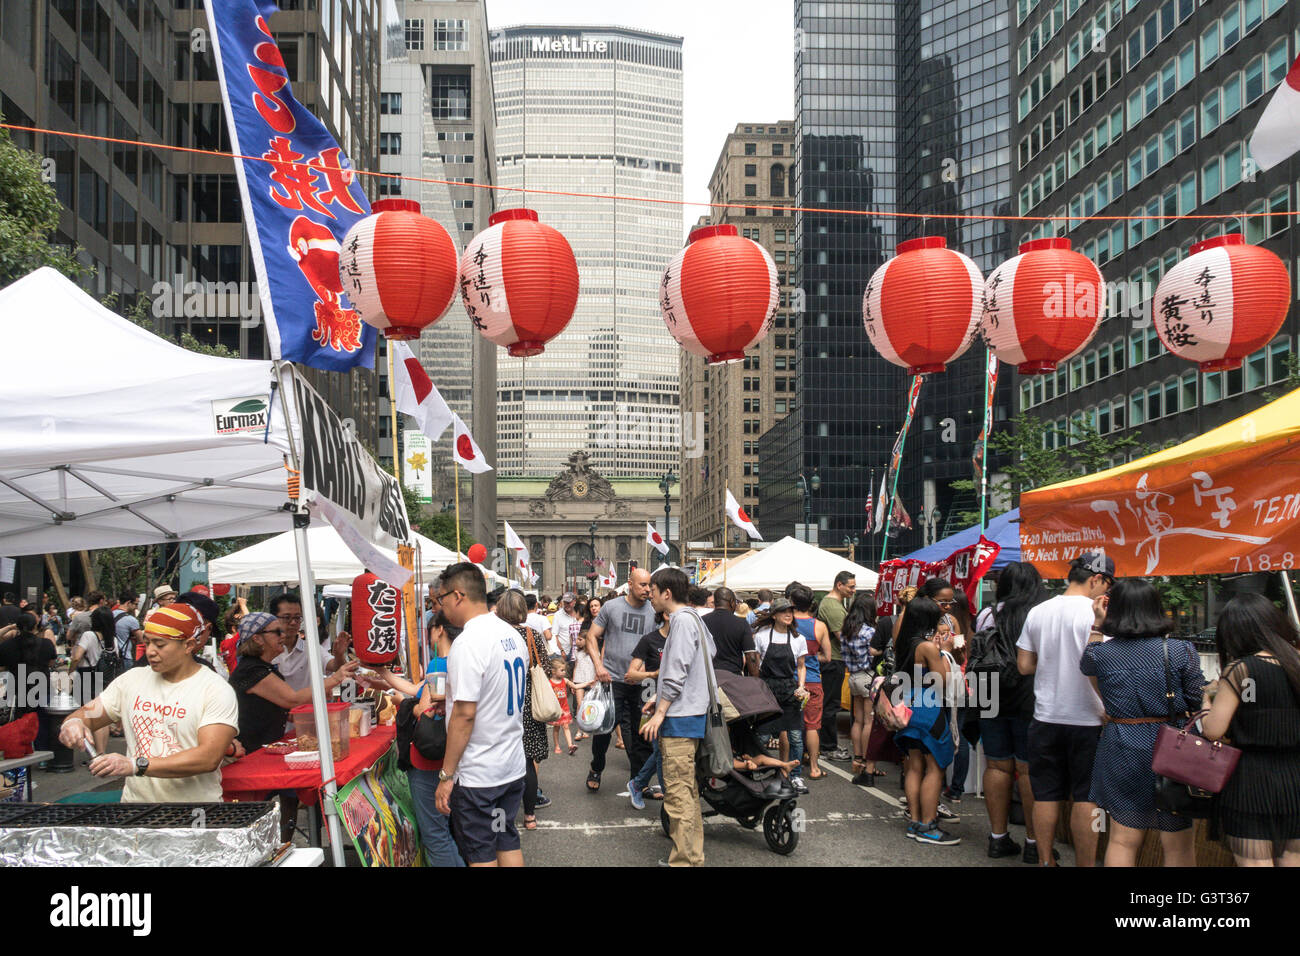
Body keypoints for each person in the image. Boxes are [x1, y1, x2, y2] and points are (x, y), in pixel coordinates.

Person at [57, 603, 239, 802]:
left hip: (193, 813)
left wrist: (136, 765)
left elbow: (208, 757)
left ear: (188, 645)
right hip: (136, 809)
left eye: (160, 645)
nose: (150, 651)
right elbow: (88, 714)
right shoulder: (131, 680)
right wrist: (73, 723)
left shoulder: (215, 689)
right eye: (148, 642)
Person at [1080, 579, 1204, 867]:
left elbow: (1086, 663)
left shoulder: (1102, 654)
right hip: (1173, 745)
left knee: (1122, 838)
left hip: (1122, 742)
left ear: (1116, 610)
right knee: (1178, 842)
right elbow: (1198, 700)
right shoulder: (1180, 650)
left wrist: (1097, 624)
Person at [1016, 551, 1113, 867]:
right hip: (1090, 717)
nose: (1108, 594)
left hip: (1046, 716)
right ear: (1096, 579)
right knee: (1087, 799)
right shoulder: (1100, 614)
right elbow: (1107, 667)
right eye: (1108, 585)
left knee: (1045, 795)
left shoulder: (1039, 611)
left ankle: (1046, 861)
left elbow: (1024, 665)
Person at [434, 563, 528, 867]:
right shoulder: (511, 634)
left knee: (481, 853)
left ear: (459, 595)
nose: (442, 606)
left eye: (442, 599)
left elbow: (464, 715)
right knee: (505, 838)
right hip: (510, 765)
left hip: (479, 774)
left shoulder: (468, 642)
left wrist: (447, 775)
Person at [1200, 593, 1300, 867]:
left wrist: (1207, 700)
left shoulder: (1241, 670)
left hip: (1250, 781)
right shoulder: (1296, 661)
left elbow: (1213, 730)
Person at [362, 608, 465, 867]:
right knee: (449, 829)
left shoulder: (439, 663)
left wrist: (404, 703)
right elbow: (419, 690)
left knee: (436, 834)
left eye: (430, 629)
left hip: (431, 758)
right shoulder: (461, 660)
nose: (428, 635)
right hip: (452, 753)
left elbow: (425, 708)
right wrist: (385, 677)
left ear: (440, 629)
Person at [640, 566, 716, 867]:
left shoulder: (682, 621)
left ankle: (684, 861)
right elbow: (706, 656)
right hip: (692, 715)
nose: (651, 597)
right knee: (687, 791)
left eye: (654, 592)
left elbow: (677, 670)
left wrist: (661, 710)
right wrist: (661, 697)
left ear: (666, 593)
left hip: (680, 719)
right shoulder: (696, 618)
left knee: (678, 795)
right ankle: (692, 857)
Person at [975, 561, 1047, 862]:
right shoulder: (1041, 614)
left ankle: (998, 837)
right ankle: (1034, 843)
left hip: (989, 691)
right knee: (1028, 769)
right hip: (1029, 694)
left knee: (996, 766)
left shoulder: (988, 614)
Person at [890, 595, 958, 846]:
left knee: (914, 766)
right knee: (935, 768)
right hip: (928, 711)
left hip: (907, 708)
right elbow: (942, 680)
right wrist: (945, 653)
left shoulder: (906, 642)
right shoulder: (928, 647)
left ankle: (916, 821)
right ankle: (929, 825)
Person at [586, 567, 656, 792]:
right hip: (613, 680)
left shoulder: (654, 611)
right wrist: (598, 666)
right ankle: (596, 767)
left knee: (641, 733)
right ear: (630, 584)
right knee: (604, 729)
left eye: (649, 585)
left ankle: (639, 781)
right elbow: (591, 636)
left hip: (642, 683)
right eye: (642, 585)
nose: (647, 589)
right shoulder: (612, 607)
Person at [495, 589, 551, 832]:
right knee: (528, 762)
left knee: (500, 760)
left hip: (503, 704)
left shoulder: (496, 636)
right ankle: (529, 816)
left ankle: (500, 819)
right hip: (528, 705)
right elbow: (546, 668)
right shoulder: (532, 634)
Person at [753, 597, 810, 794]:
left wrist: (801, 687)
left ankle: (795, 776)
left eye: (790, 611)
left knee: (795, 736)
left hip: (789, 689)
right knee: (762, 735)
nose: (788, 614)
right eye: (784, 611)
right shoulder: (761, 636)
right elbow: (755, 666)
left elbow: (801, 666)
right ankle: (759, 772)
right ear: (774, 615)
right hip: (767, 689)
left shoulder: (798, 639)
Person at [627, 612, 670, 808]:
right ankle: (668, 801)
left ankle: (637, 783)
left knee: (661, 749)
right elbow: (631, 674)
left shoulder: (681, 639)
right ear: (667, 615)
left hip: (675, 701)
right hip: (651, 700)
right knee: (658, 748)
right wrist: (654, 673)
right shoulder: (649, 640)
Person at [841, 592, 884, 784]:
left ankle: (857, 757)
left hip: (853, 677)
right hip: (867, 677)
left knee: (857, 721)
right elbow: (875, 654)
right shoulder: (869, 632)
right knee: (869, 721)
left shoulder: (846, 630)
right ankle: (867, 762)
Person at [790, 584, 831, 781]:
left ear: (792, 602)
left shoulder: (786, 623)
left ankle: (788, 766)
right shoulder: (820, 626)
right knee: (812, 725)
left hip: (790, 678)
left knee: (789, 725)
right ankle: (814, 767)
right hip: (813, 680)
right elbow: (828, 656)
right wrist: (811, 656)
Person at [268, 592, 348, 693]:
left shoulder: (311, 648)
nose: (293, 622)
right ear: (274, 618)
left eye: (297, 618)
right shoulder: (266, 650)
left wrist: (339, 655)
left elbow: (334, 666)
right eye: (287, 617)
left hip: (306, 708)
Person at [0, 612, 58, 749]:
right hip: (42, 685)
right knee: (43, 720)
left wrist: (9, 628)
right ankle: (42, 752)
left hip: (18, 687)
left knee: (20, 721)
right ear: (36, 625)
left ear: (17, 627)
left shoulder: (7, 646)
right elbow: (51, 663)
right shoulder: (46, 644)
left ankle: (22, 750)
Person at [817, 571, 856, 762]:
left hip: (835, 660)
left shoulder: (834, 604)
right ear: (839, 585)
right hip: (834, 660)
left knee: (831, 704)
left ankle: (827, 744)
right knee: (830, 705)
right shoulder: (832, 606)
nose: (853, 590)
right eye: (851, 587)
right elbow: (843, 637)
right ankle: (827, 747)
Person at [707, 587, 757, 677]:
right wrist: (756, 680)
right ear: (731, 601)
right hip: (733, 677)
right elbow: (750, 656)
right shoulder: (741, 623)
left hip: (708, 677)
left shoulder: (702, 621)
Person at [548, 657, 584, 756]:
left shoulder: (565, 680)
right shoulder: (549, 683)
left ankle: (570, 746)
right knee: (556, 728)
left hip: (564, 709)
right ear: (553, 671)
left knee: (566, 726)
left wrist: (588, 683)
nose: (564, 672)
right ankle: (557, 746)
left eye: (565, 670)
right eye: (562, 670)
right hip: (556, 710)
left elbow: (576, 686)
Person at [552, 592, 583, 682]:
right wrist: (561, 651)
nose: (566, 605)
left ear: (574, 602)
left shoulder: (580, 613)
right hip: (564, 654)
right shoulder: (558, 615)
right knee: (565, 680)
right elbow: (555, 635)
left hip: (580, 653)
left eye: (568, 602)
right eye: (565, 602)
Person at [112, 593, 143, 673]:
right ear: (128, 603)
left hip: (109, 657)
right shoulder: (131, 620)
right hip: (124, 658)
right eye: (135, 604)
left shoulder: (109, 614)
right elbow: (141, 640)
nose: (136, 607)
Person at [525, 594, 558, 658]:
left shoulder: (522, 620)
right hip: (542, 653)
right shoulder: (542, 618)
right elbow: (548, 636)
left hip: (528, 654)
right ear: (536, 604)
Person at [220, 600, 247, 674]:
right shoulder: (233, 641)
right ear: (234, 628)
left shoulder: (224, 643)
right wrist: (243, 605)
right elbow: (250, 624)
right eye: (241, 626)